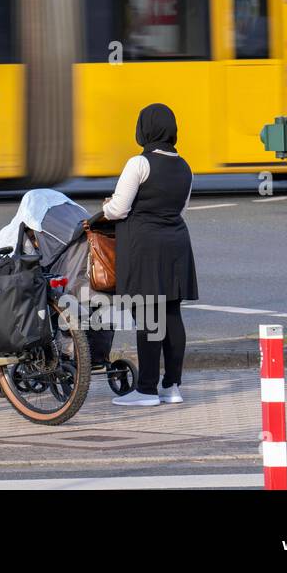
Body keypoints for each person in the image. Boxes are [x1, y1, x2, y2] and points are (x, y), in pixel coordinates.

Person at [102, 102, 198, 407]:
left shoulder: (138, 164)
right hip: (177, 244)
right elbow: (180, 208)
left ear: (143, 130)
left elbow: (118, 209)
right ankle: (172, 386)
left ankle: (145, 390)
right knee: (171, 315)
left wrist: (105, 207)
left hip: (144, 246)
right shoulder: (185, 166)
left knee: (147, 316)